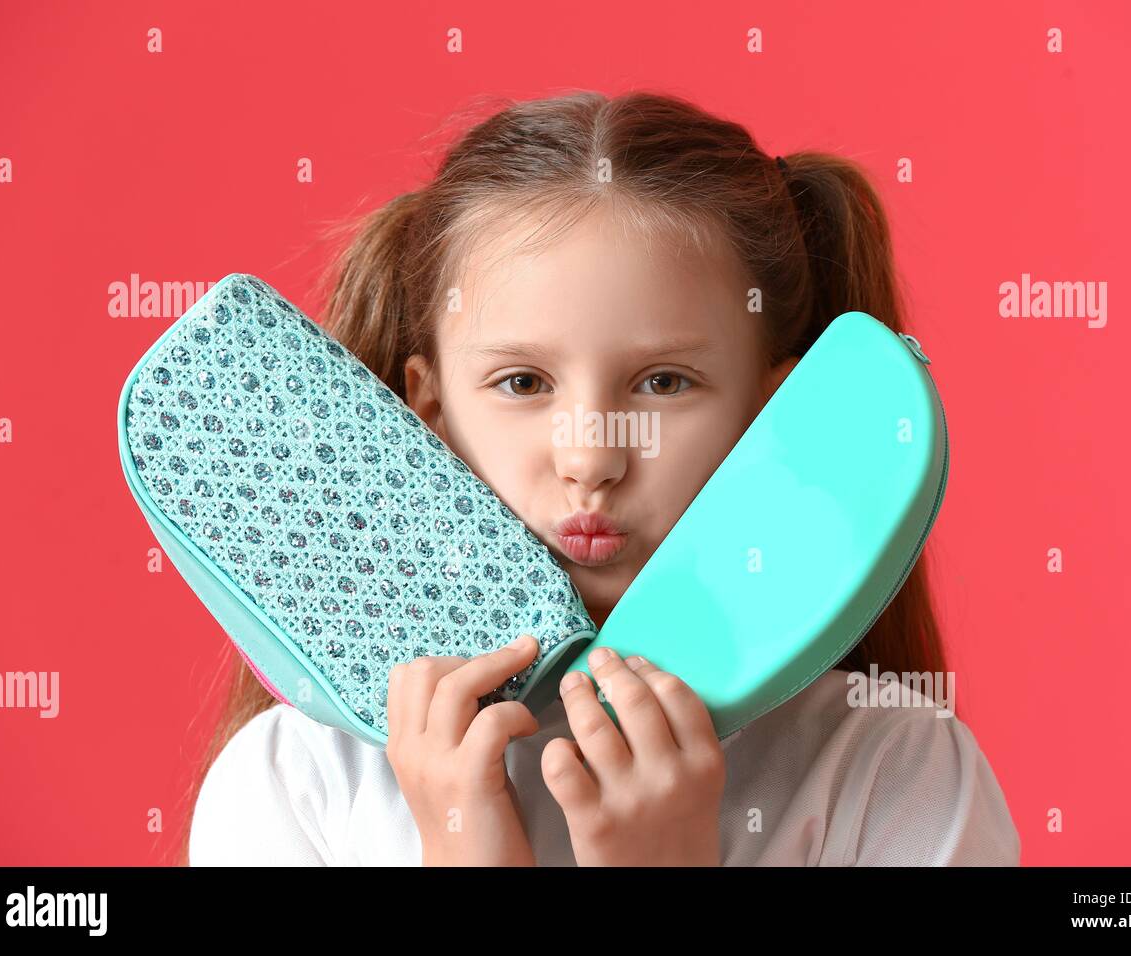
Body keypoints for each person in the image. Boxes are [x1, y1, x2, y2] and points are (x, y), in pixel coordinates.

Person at [181, 90, 1021, 866]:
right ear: (427, 408)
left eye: (662, 383)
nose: (590, 457)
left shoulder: (888, 767)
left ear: (775, 413)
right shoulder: (298, 781)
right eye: (523, 384)